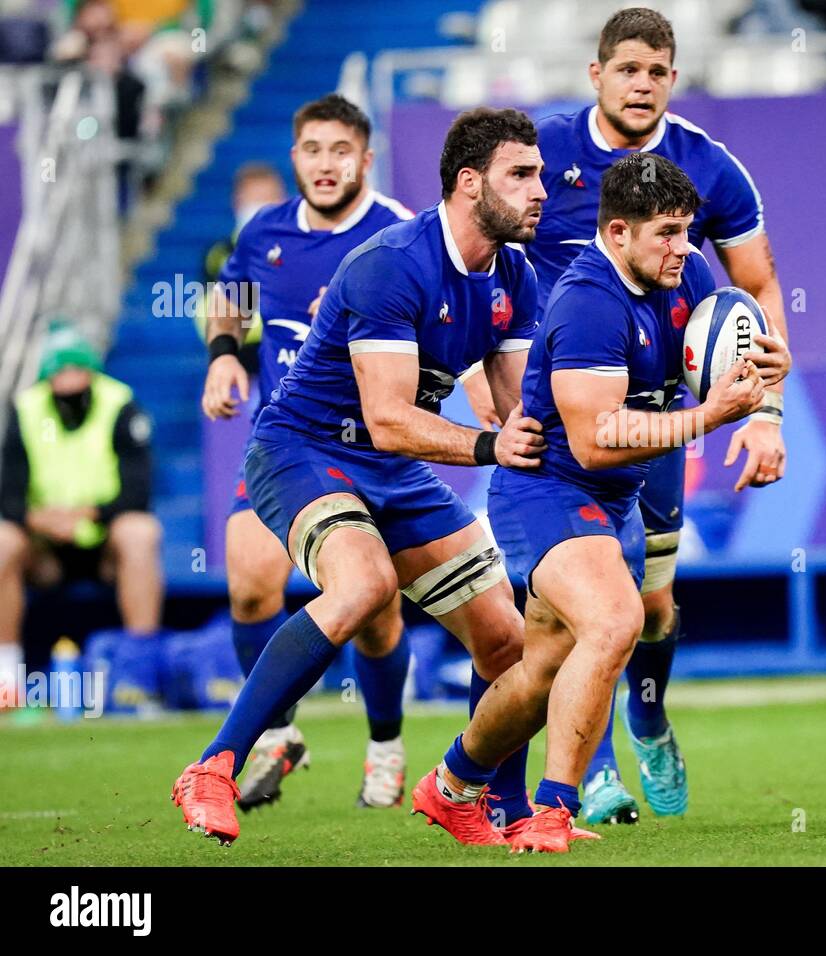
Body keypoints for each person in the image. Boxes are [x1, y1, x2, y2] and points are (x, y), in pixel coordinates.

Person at [172, 106, 547, 846]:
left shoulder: (515, 275)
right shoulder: (392, 261)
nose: (540, 191)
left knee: (510, 640)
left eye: (539, 174)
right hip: (304, 449)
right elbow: (390, 419)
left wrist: (616, 435)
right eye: (522, 175)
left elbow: (519, 412)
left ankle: (488, 803)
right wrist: (489, 447)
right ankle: (215, 766)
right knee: (361, 585)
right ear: (470, 183)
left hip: (391, 469)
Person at [409, 153, 790, 854]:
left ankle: (452, 784)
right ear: (617, 232)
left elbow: (731, 364)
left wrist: (767, 382)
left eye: (687, 230)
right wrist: (710, 416)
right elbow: (594, 442)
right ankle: (553, 809)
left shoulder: (689, 276)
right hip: (549, 489)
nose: (684, 248)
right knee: (615, 621)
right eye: (666, 233)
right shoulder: (588, 302)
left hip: (616, 497)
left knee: (541, 672)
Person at [527, 6, 791, 823]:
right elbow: (486, 255)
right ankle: (594, 773)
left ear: (674, 79)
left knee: (650, 605)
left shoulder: (710, 168)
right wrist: (478, 367)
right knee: (585, 604)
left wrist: (765, 411)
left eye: (656, 71)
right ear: (596, 74)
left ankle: (647, 716)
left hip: (655, 412)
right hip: (558, 408)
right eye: (627, 68)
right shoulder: (539, 154)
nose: (641, 84)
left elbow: (755, 289)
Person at [201, 94, 417, 812]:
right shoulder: (264, 231)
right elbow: (229, 298)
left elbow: (437, 330)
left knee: (375, 611)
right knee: (248, 583)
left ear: (366, 159)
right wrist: (224, 355)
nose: (326, 164)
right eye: (313, 150)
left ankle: (385, 746)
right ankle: (279, 733)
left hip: (370, 450)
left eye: (341, 151)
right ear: (295, 157)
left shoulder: (397, 234)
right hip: (287, 441)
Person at [0, 324, 161, 705]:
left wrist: (90, 514)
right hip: (45, 549)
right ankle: (7, 679)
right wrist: (42, 520)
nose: (69, 382)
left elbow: (138, 490)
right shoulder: (25, 410)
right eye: (60, 373)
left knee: (141, 532)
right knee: (3, 541)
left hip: (104, 544)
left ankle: (140, 673)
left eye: (77, 371)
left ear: (91, 373)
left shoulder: (120, 404)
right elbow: (9, 496)